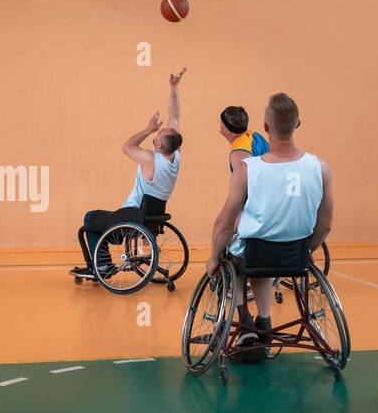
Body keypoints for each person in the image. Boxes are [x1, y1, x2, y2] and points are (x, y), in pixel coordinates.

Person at [206, 93, 334, 359]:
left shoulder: (246, 168)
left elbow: (224, 223)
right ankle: (264, 322)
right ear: (298, 124)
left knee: (234, 260)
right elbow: (325, 226)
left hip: (258, 252)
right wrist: (305, 248)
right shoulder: (320, 167)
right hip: (296, 256)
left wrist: (213, 257)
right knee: (259, 256)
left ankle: (244, 322)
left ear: (265, 127)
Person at [73, 68, 185, 278]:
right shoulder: (175, 156)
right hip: (152, 216)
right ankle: (103, 264)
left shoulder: (151, 159)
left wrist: (147, 130)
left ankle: (103, 266)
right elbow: (175, 115)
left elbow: (127, 146)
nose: (160, 131)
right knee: (98, 219)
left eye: (159, 134)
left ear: (159, 143)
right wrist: (174, 88)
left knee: (89, 219)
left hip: (134, 215)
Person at [218, 105, 269, 173]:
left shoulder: (237, 155)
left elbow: (248, 182)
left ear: (228, 131)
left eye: (221, 125)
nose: (220, 126)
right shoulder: (255, 136)